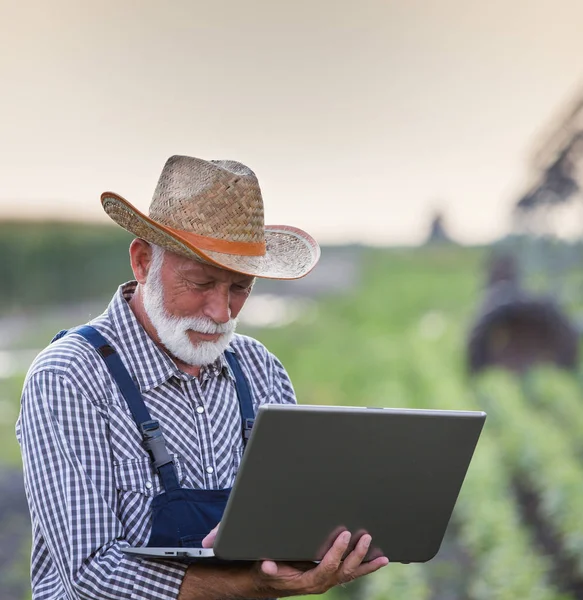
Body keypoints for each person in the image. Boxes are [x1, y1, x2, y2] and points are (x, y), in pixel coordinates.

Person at [16, 155, 389, 600]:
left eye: (239, 288)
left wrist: (318, 553)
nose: (221, 312)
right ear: (142, 261)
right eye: (200, 284)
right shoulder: (71, 376)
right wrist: (247, 584)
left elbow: (290, 523)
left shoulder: (260, 369)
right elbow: (90, 574)